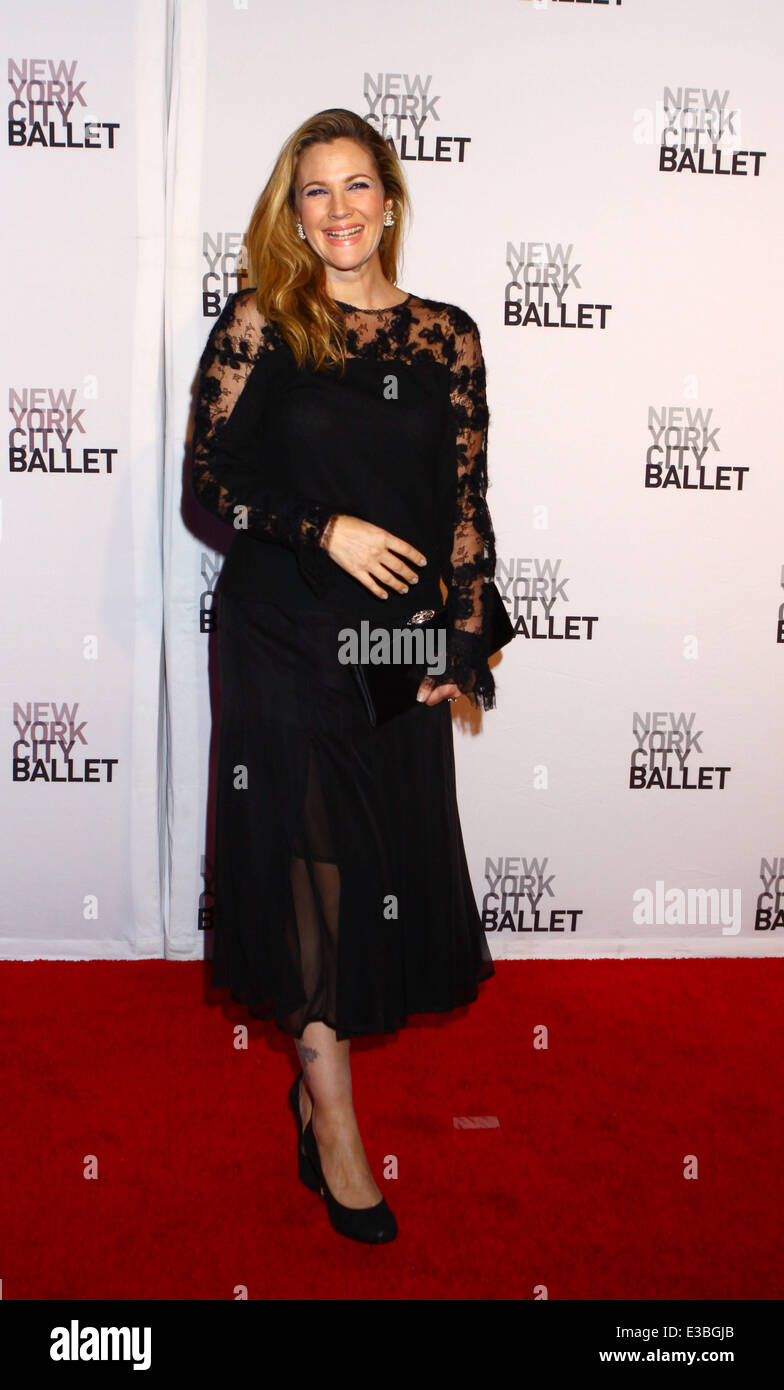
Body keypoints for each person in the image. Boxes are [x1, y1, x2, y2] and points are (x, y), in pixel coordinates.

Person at [191, 108, 502, 1245]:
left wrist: (463, 644)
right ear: (292, 208)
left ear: (391, 197)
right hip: (282, 633)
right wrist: (323, 527)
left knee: (375, 866)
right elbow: (211, 482)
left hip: (389, 650)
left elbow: (463, 505)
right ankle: (336, 1129)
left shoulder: (447, 337)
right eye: (314, 191)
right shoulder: (264, 323)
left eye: (357, 185)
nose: (338, 210)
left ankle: (313, 1087)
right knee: (313, 872)